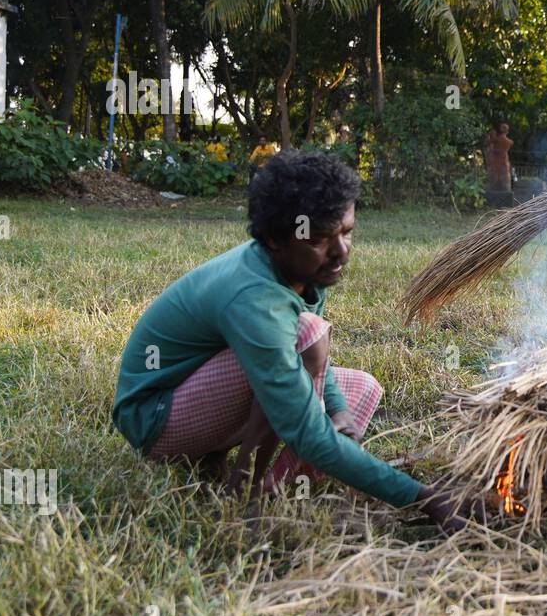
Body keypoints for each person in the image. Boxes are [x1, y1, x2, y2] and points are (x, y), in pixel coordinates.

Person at [111, 151, 473, 531]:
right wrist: (422, 497)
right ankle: (240, 483)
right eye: (319, 239)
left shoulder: (304, 271)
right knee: (306, 340)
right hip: (155, 419)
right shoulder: (255, 298)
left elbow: (316, 371)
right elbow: (304, 421)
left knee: (362, 390)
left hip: (207, 397)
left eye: (346, 232)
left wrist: (338, 411)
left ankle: (269, 487)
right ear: (274, 239)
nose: (341, 253)